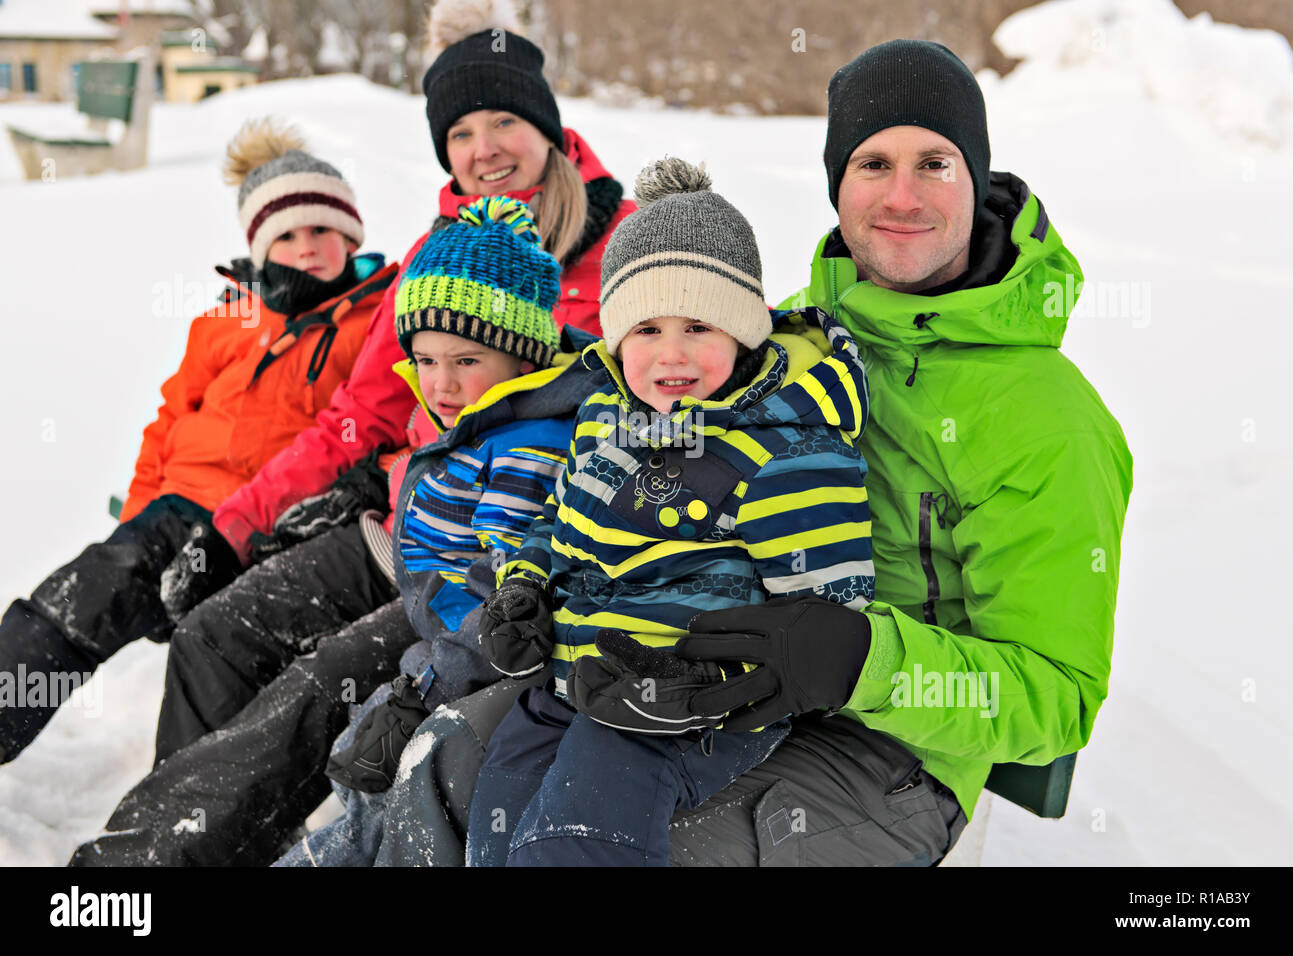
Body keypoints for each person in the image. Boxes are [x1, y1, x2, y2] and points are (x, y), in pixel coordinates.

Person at [373, 39, 1133, 867]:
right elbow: (628, 433)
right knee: (445, 764)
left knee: (612, 845)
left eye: (936, 163)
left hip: (885, 751)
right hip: (687, 668)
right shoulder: (780, 333)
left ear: (976, 175)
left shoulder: (1049, 418)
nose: (903, 196)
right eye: (873, 163)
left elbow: (1057, 699)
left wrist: (859, 661)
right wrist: (524, 578)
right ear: (838, 184)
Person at [68, 0, 634, 865]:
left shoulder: (630, 245)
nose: (484, 148)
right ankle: (180, 848)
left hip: (514, 556)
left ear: (548, 130)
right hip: (402, 517)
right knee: (212, 638)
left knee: (311, 697)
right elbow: (357, 415)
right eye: (461, 132)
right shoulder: (433, 254)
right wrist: (231, 529)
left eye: (506, 121)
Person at [461, 158, 876, 866]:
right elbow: (557, 521)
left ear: (745, 332)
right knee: (498, 805)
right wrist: (525, 588)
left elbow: (824, 621)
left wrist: (704, 685)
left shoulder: (786, 451)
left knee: (576, 838)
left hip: (687, 714)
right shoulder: (605, 415)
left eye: (700, 327)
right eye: (646, 329)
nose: (671, 355)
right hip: (576, 675)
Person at [0, 119, 396, 763]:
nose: (307, 248)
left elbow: (370, 423)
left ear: (351, 235)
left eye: (323, 229)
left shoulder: (373, 315)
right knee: (79, 599)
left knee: (221, 658)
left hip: (276, 523)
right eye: (287, 235)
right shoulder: (230, 316)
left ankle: (177, 808)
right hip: (178, 508)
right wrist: (138, 516)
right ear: (260, 246)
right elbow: (170, 417)